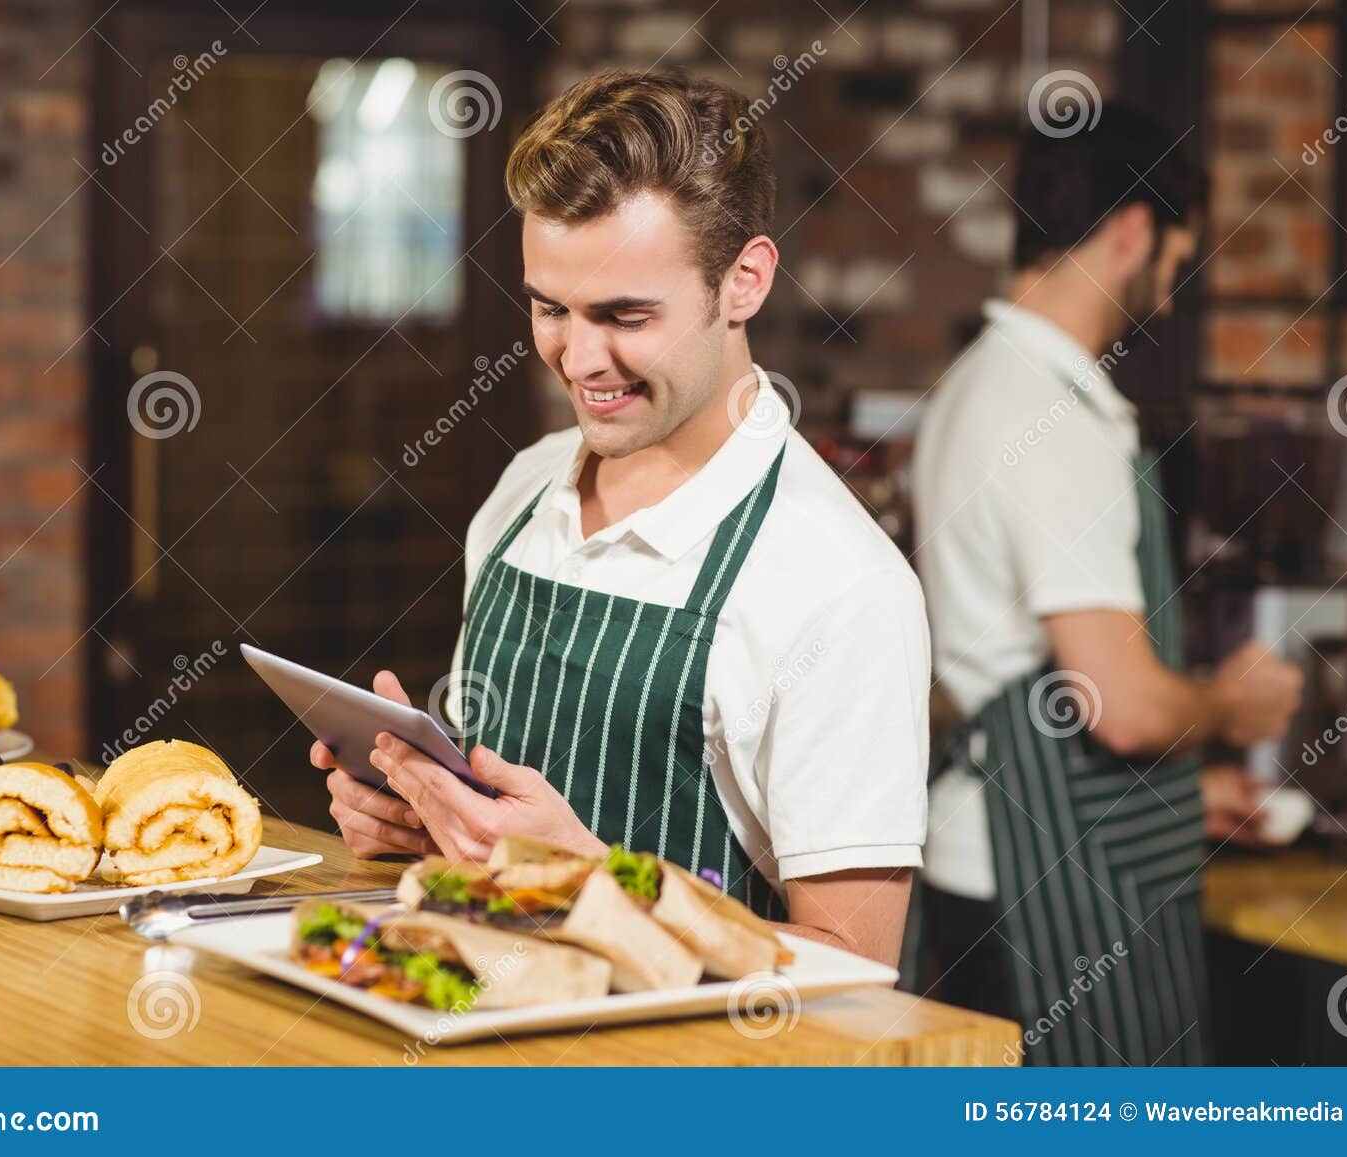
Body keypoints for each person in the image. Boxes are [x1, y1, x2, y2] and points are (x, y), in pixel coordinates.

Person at [310, 69, 930, 965]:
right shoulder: (522, 494)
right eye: (550, 308)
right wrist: (426, 823)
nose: (580, 357)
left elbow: (857, 973)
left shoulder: (841, 587)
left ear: (745, 281)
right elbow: (499, 857)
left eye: (626, 315)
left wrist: (599, 879)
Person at [908, 102, 1302, 1062]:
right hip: (1042, 888)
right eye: (1175, 257)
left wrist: (1173, 794)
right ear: (1132, 230)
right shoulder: (1056, 417)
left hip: (981, 856)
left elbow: (1013, 672)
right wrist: (1232, 704)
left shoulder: (976, 381)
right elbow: (1116, 705)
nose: (1169, 293)